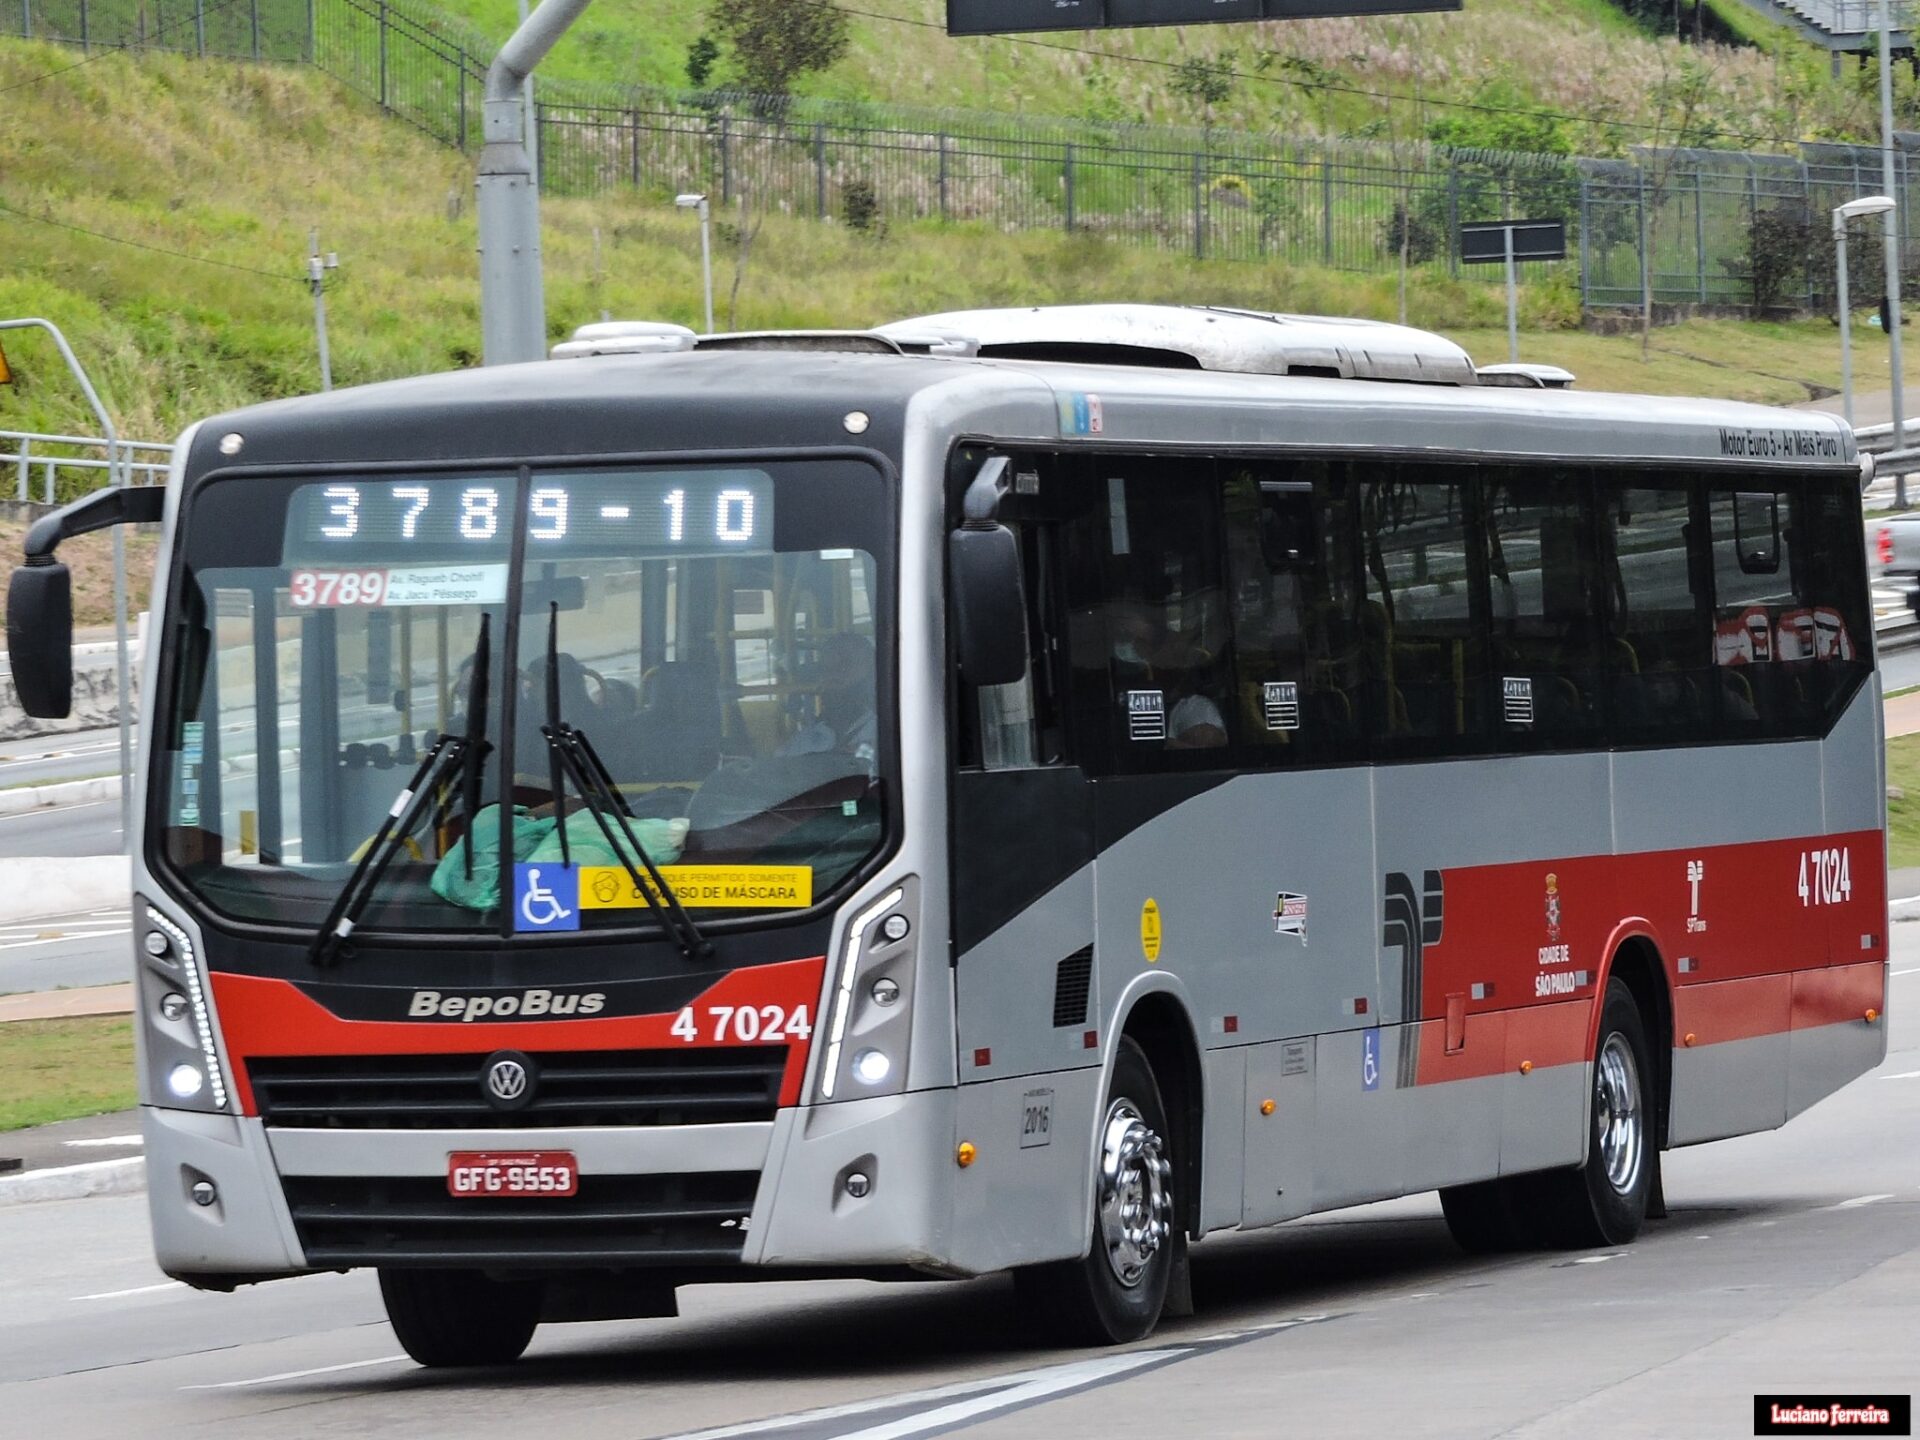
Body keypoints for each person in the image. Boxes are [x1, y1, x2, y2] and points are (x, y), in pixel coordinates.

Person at [781, 633, 877, 762]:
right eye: (826, 669)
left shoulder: (894, 729)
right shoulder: (810, 738)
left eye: (845, 665)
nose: (833, 677)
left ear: (871, 671)